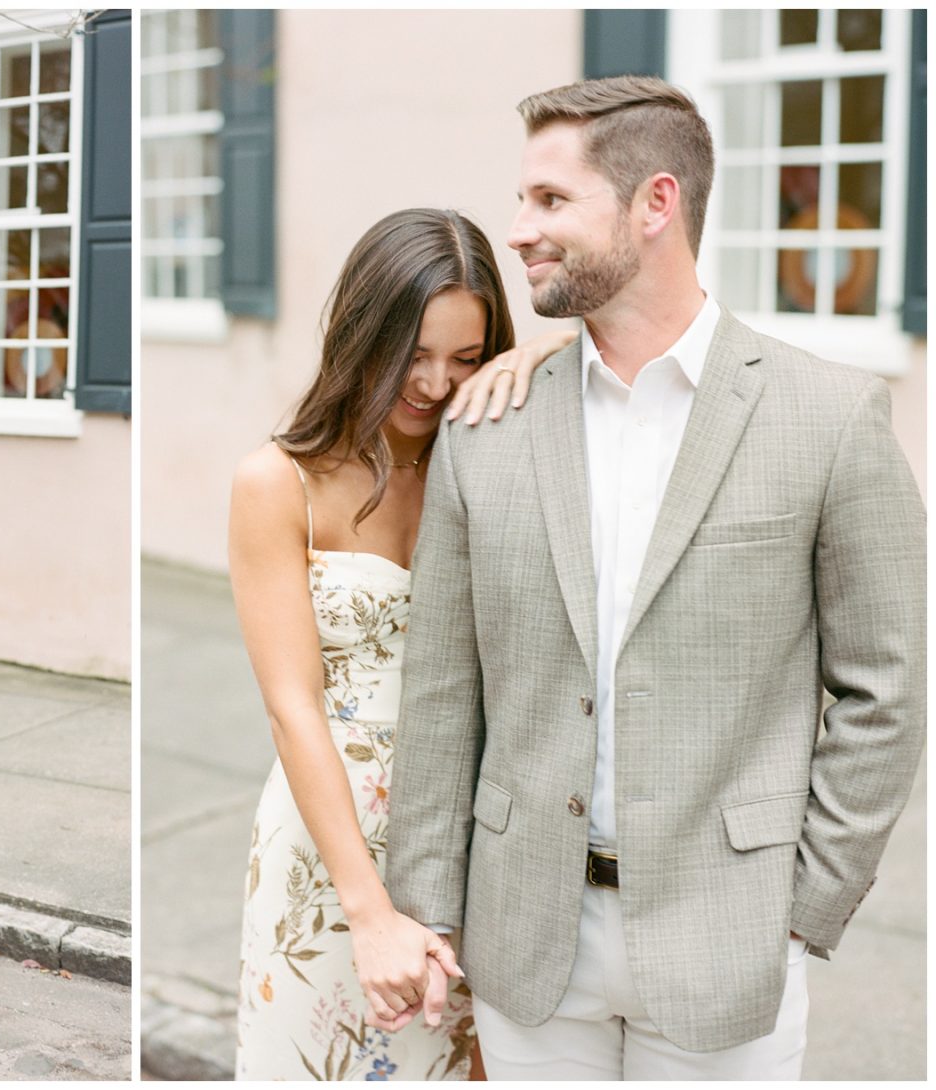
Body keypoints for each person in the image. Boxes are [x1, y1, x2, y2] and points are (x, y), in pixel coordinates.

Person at [384, 76, 925, 1079]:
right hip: (525, 944)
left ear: (655, 204)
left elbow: (883, 689)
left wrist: (804, 905)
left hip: (730, 944)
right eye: (521, 201)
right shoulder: (487, 425)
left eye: (550, 200)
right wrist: (424, 909)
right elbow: (442, 686)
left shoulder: (829, 418)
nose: (516, 230)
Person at [229, 208, 577, 1080]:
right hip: (333, 846)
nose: (433, 383)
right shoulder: (279, 482)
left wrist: (550, 351)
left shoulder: (495, 451)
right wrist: (369, 909)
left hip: (476, 837)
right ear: (363, 336)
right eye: (412, 356)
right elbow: (291, 708)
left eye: (466, 358)